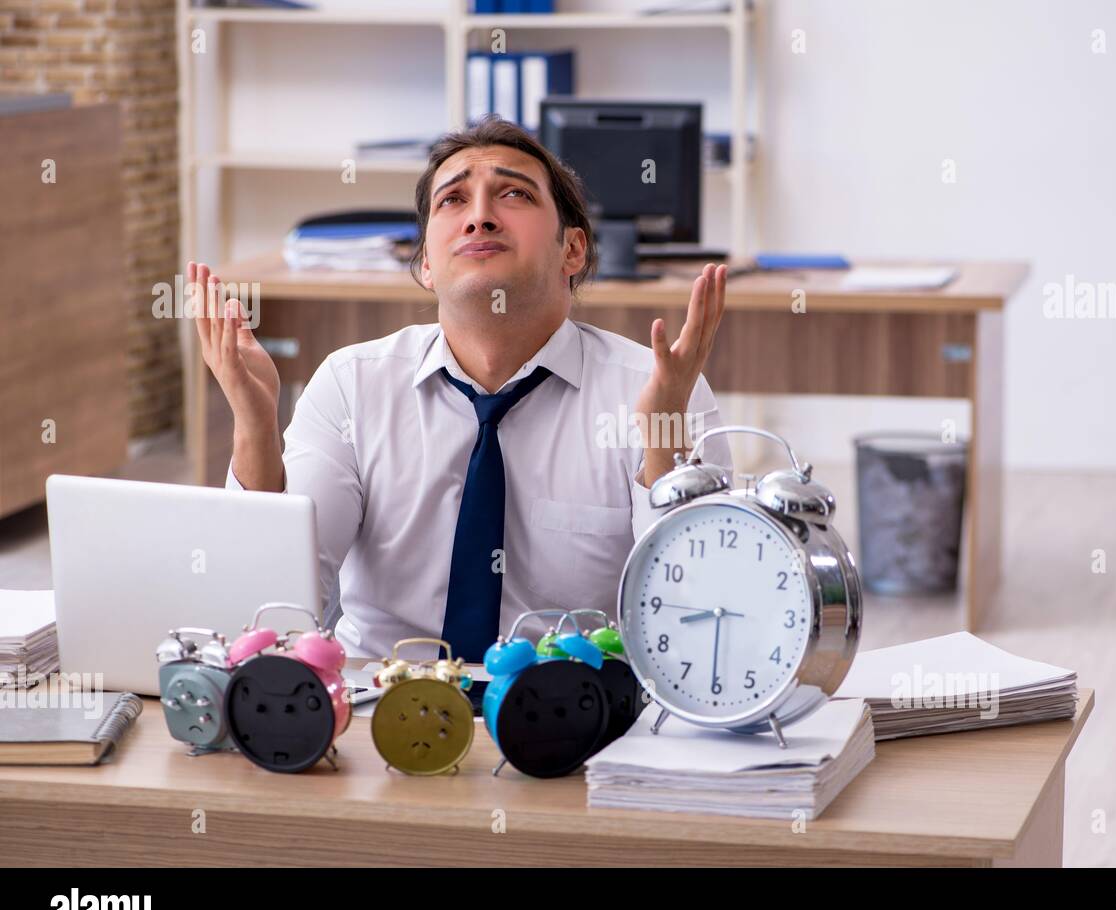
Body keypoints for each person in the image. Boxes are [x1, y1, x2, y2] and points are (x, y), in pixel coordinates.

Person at [189, 116, 731, 661]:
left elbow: (697, 615)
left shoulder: (658, 392)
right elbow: (278, 608)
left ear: (573, 251)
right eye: (452, 200)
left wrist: (664, 440)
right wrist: (256, 428)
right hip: (377, 709)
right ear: (425, 263)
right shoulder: (351, 385)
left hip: (574, 714)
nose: (478, 217)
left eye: (513, 193)